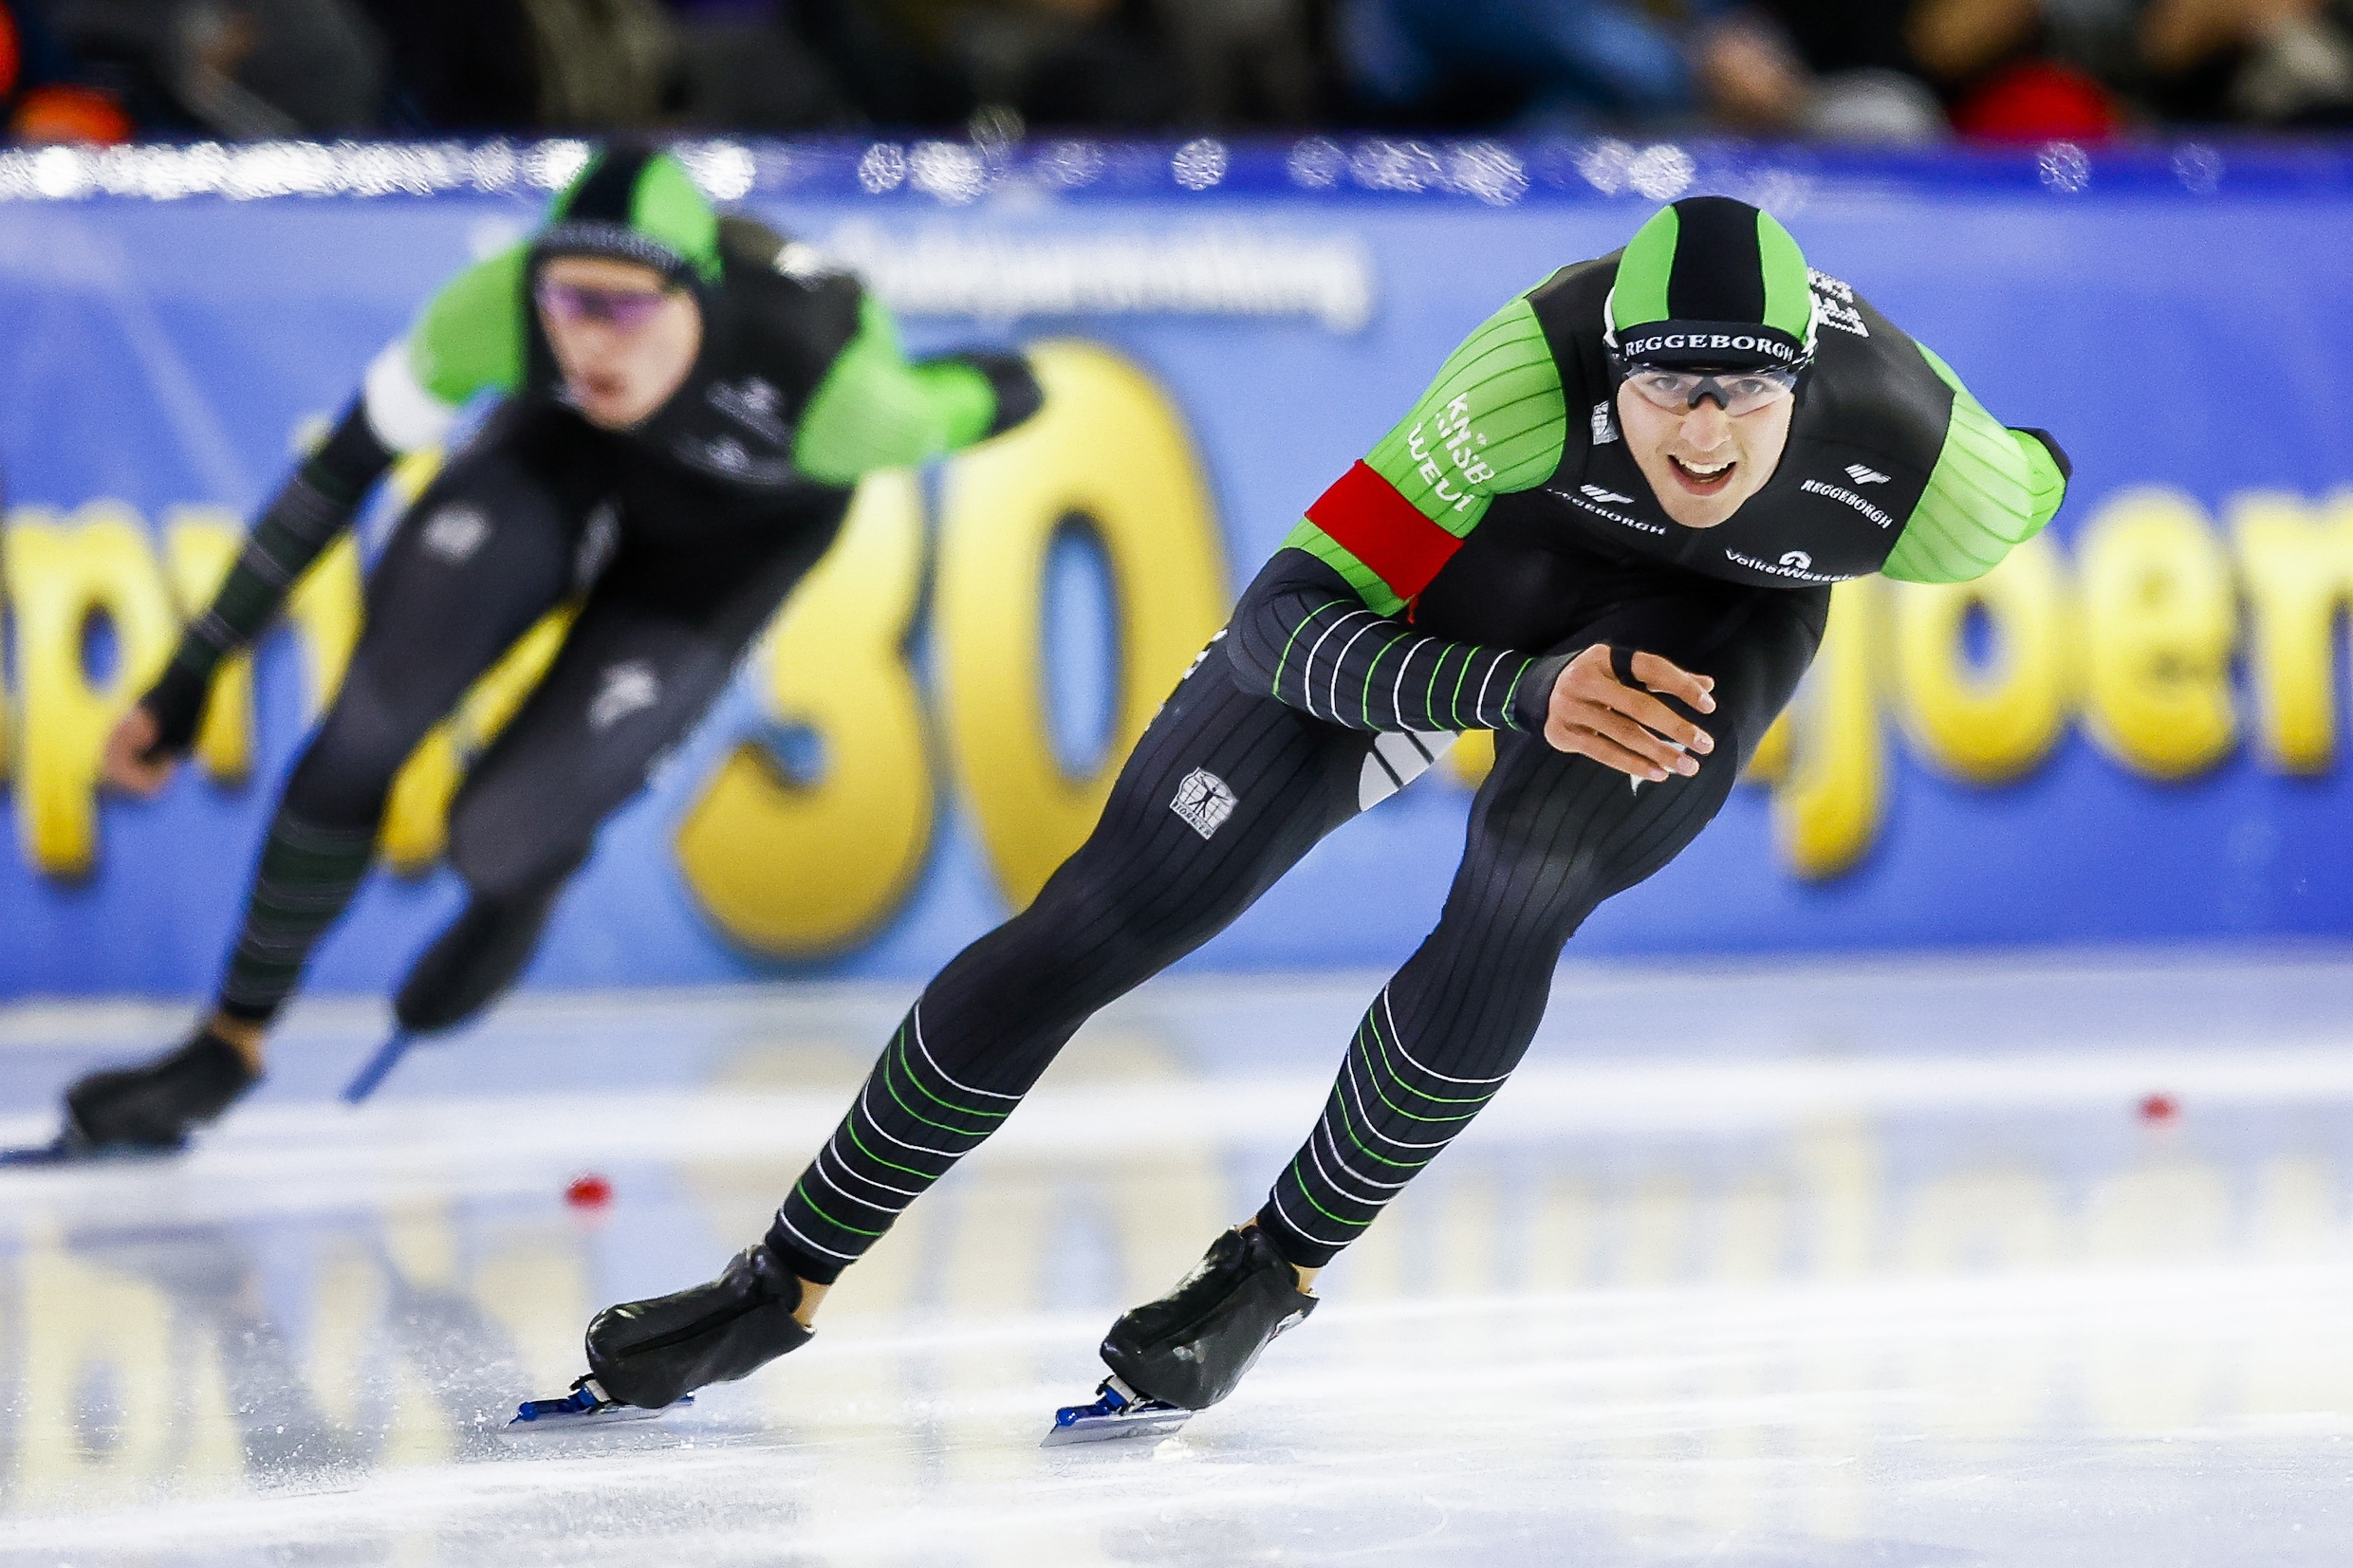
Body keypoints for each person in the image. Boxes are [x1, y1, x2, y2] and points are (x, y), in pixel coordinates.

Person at [539, 194, 2069, 1430]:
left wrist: (1555, 711)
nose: (1706, 436)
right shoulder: (1526, 375)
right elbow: (1283, 617)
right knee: (1099, 915)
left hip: (1718, 626)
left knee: (1526, 875)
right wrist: (1506, 688)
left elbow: (2035, 473)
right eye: (1669, 384)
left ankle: (1275, 1266)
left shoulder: (1935, 470)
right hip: (1470, 599)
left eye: (1746, 394)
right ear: (1617, 366)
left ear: (1808, 383)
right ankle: (781, 1279)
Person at [38, 143, 1041, 1159]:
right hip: (556, 462)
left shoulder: (838, 398)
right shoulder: (499, 306)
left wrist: (1018, 369)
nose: (589, 342)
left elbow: (992, 389)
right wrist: (187, 677)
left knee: (497, 834)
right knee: (369, 718)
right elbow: (331, 482)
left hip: (724, 551)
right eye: (567, 300)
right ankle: (225, 1044)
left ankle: (527, 875)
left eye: (625, 308)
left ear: (693, 293)